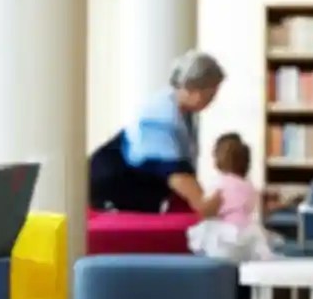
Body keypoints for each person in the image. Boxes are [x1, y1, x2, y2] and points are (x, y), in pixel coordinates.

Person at [89, 50, 226, 216]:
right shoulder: (160, 113)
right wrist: (203, 203)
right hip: (111, 187)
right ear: (196, 89)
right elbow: (175, 172)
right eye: (210, 95)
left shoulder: (183, 112)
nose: (211, 101)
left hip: (135, 190)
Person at [186, 133, 278, 299]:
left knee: (220, 267)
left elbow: (208, 209)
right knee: (242, 270)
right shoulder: (249, 186)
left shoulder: (219, 184)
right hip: (248, 234)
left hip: (224, 235)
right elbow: (252, 208)